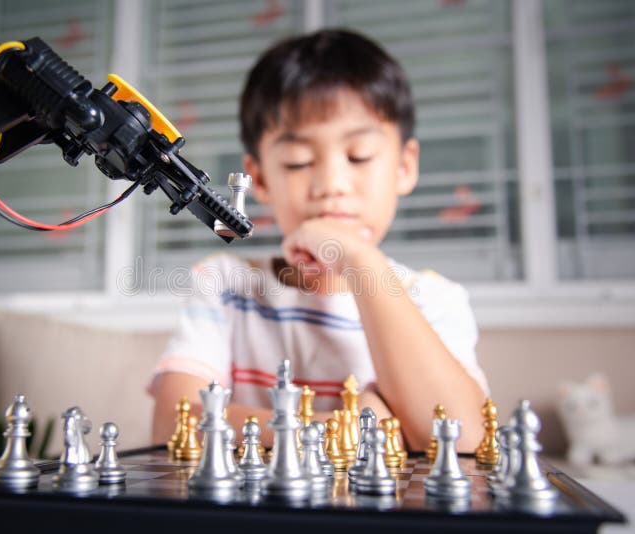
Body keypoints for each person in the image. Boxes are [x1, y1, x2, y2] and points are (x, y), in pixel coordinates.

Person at [149, 29, 488, 452]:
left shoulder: (434, 299)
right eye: (299, 162)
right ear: (263, 178)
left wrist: (361, 261)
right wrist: (350, 428)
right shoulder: (226, 284)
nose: (331, 185)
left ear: (405, 166)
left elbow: (464, 436)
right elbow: (173, 422)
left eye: (359, 156)